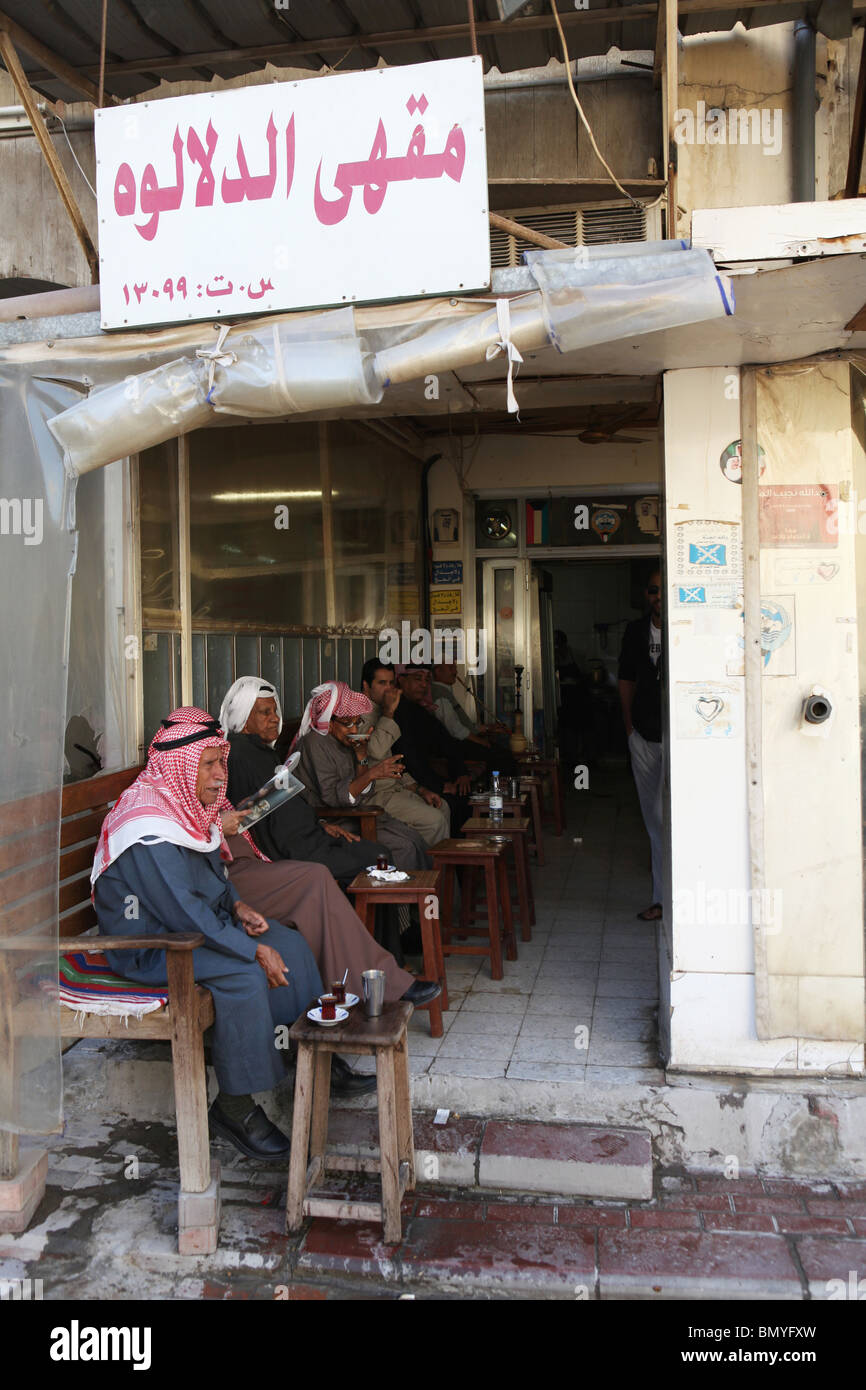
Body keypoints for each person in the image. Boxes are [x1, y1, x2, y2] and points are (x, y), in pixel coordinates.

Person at [91, 708, 322, 1162]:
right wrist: (252, 948)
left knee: (290, 942)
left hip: (182, 930)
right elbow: (185, 913)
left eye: (222, 762)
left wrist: (237, 905)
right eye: (210, 764)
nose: (222, 776)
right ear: (182, 766)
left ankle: (311, 1050)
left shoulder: (178, 805)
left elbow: (205, 874)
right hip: (150, 947)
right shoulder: (147, 828)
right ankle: (234, 1107)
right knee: (244, 974)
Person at [220, 677, 384, 886]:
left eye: (274, 711)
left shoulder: (262, 751)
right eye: (265, 712)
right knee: (376, 859)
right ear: (243, 717)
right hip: (294, 850)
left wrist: (319, 824)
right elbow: (252, 819)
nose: (274, 718)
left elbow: (285, 802)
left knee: (375, 853)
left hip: (310, 836)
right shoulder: (240, 756)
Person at [293, 680, 431, 874]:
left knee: (416, 839)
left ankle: (427, 902)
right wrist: (374, 773)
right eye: (347, 723)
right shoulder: (314, 743)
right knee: (404, 847)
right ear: (328, 721)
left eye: (357, 722)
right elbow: (333, 798)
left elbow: (363, 794)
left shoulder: (344, 742)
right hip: (334, 821)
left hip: (355, 816)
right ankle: (401, 904)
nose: (354, 730)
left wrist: (361, 758)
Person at [362, 661, 472, 832]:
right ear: (366, 687)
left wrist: (421, 789)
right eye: (382, 683)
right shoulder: (360, 716)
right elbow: (376, 752)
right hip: (374, 794)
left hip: (397, 787)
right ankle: (429, 859)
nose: (389, 689)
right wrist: (389, 714)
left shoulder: (385, 710)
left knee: (442, 807)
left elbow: (395, 762)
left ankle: (433, 858)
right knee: (435, 820)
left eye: (391, 683)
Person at [618, 569, 664, 921]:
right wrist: (629, 728)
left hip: (683, 741)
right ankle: (661, 899)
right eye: (653, 590)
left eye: (664, 590)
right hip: (644, 736)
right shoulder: (635, 631)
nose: (658, 596)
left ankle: (684, 899)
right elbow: (626, 679)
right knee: (654, 821)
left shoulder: (689, 627)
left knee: (680, 818)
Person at [430, 662, 518, 774]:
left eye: (455, 668)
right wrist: (479, 741)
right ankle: (500, 788)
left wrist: (488, 728)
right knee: (502, 756)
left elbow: (463, 726)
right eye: (451, 668)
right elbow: (454, 728)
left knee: (501, 752)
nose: (455, 672)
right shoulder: (439, 694)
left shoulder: (444, 691)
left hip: (459, 743)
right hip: (455, 746)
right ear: (438, 671)